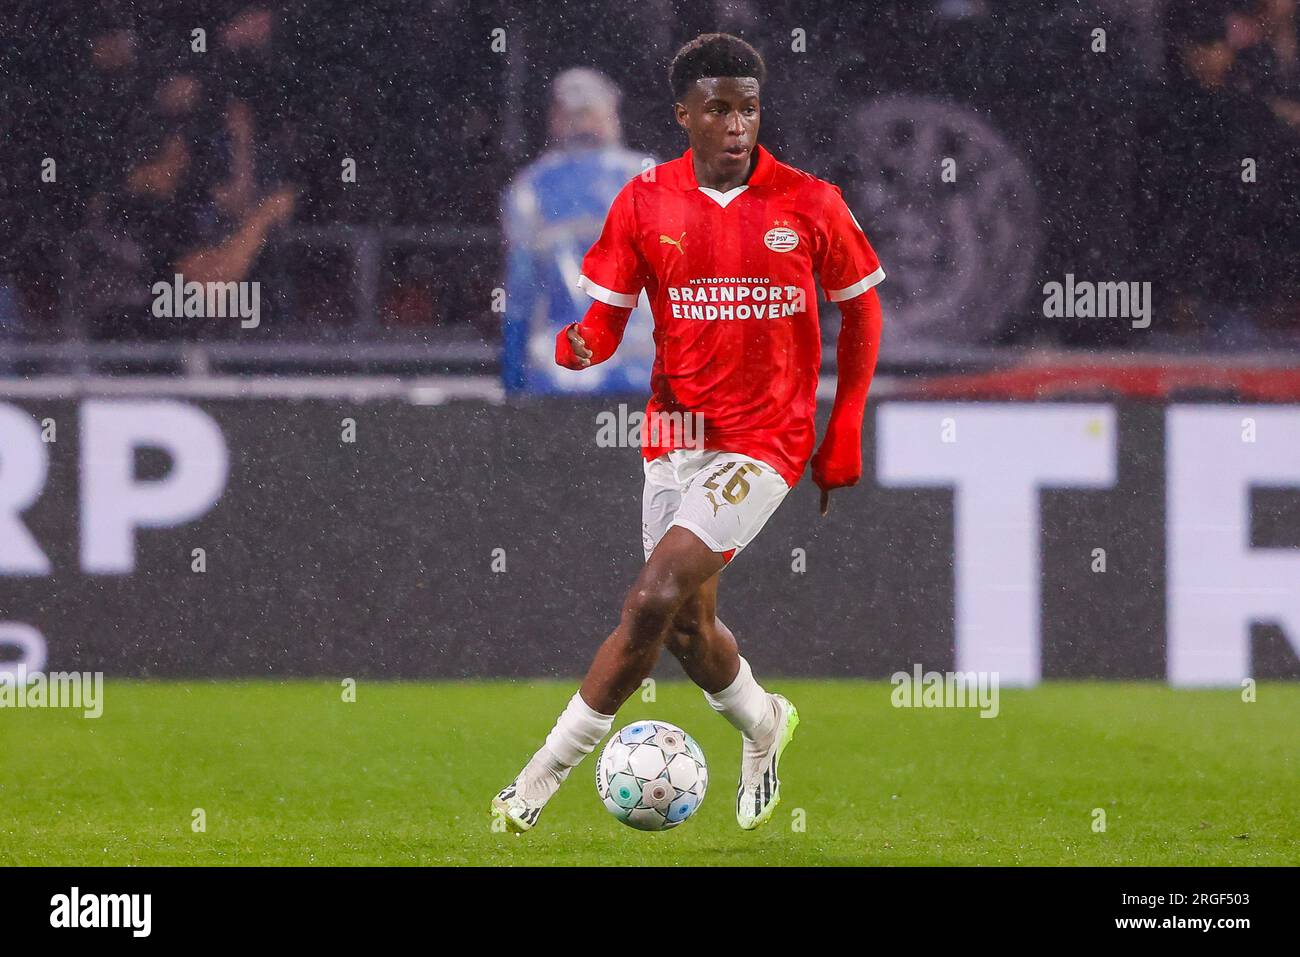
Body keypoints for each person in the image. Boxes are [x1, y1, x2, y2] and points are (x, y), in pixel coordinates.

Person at [492, 33, 885, 832]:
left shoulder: (808, 201)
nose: (738, 124)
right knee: (686, 628)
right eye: (720, 109)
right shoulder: (645, 200)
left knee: (649, 599)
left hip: (766, 438)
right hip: (674, 435)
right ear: (684, 116)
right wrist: (581, 344)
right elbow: (604, 320)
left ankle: (535, 781)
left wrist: (842, 425)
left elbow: (862, 306)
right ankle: (766, 723)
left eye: (749, 109)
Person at [501, 67, 656, 393]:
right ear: (610, 116)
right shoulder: (650, 178)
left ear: (557, 120)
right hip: (642, 373)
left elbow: (520, 296)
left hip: (559, 376)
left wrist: (512, 382)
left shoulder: (531, 188)